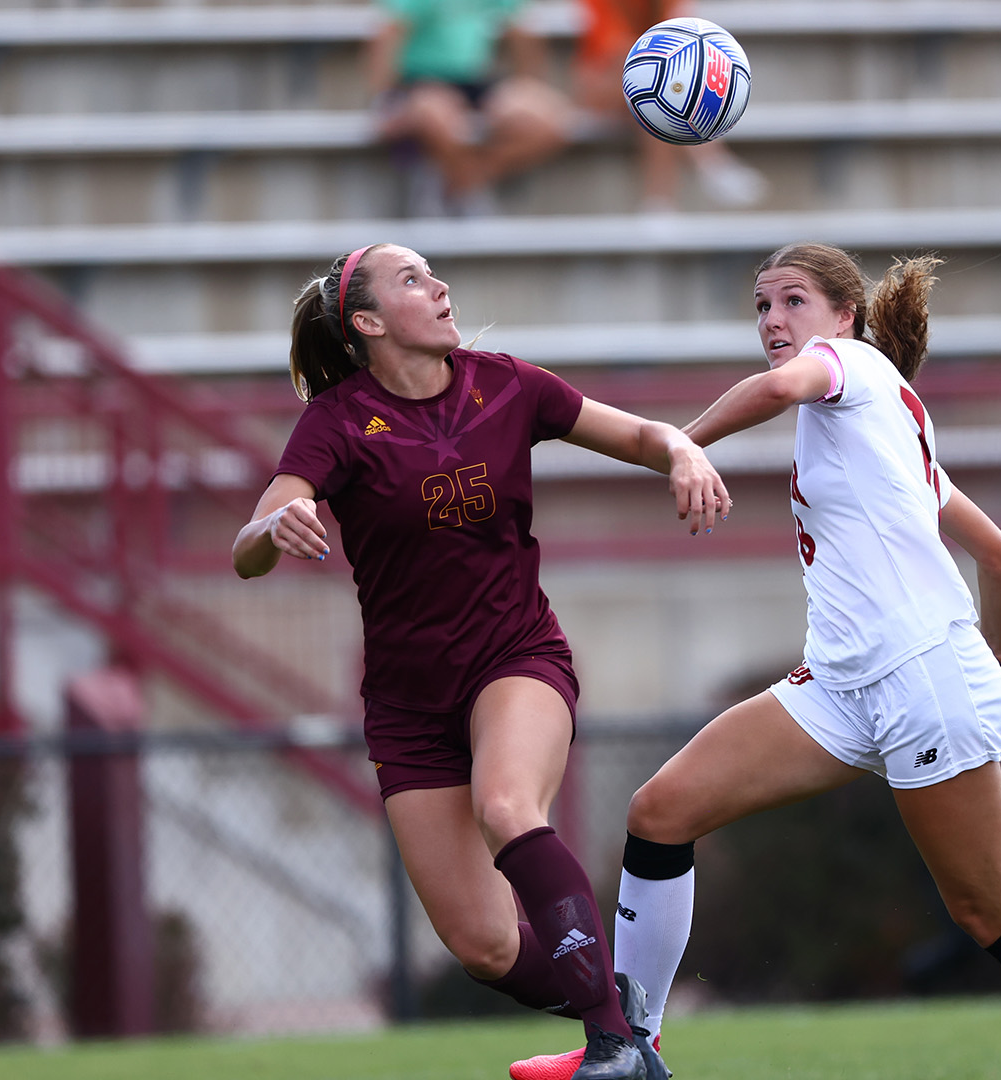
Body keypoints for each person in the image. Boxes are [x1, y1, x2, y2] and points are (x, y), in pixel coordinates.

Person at [513, 243, 1001, 1080]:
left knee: (989, 908)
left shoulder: (848, 364)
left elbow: (775, 388)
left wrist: (679, 446)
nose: (772, 321)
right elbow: (999, 554)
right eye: (761, 307)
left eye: (791, 301)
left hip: (917, 679)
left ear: (844, 316)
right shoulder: (887, 420)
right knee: (661, 812)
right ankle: (630, 1051)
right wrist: (996, 644)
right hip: (842, 685)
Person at [233, 243, 730, 1080]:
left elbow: (642, 435)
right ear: (368, 322)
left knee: (507, 804)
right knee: (485, 944)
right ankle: (624, 1013)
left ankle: (614, 1048)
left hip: (516, 656)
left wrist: (683, 452)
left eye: (433, 274)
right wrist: (270, 532)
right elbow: (251, 541)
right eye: (414, 280)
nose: (441, 286)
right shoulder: (338, 421)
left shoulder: (507, 384)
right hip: (408, 706)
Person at [368, 0, 572, 215]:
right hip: (422, 81)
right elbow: (389, 32)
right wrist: (386, 96)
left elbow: (523, 31)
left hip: (476, 80)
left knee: (549, 120)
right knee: (436, 116)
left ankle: (467, 181)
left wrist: (525, 84)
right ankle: (467, 190)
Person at [572, 0, 767, 211]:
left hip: (647, 82)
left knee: (661, 97)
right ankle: (709, 163)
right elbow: (614, 50)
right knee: (655, 90)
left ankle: (661, 200)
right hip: (603, 81)